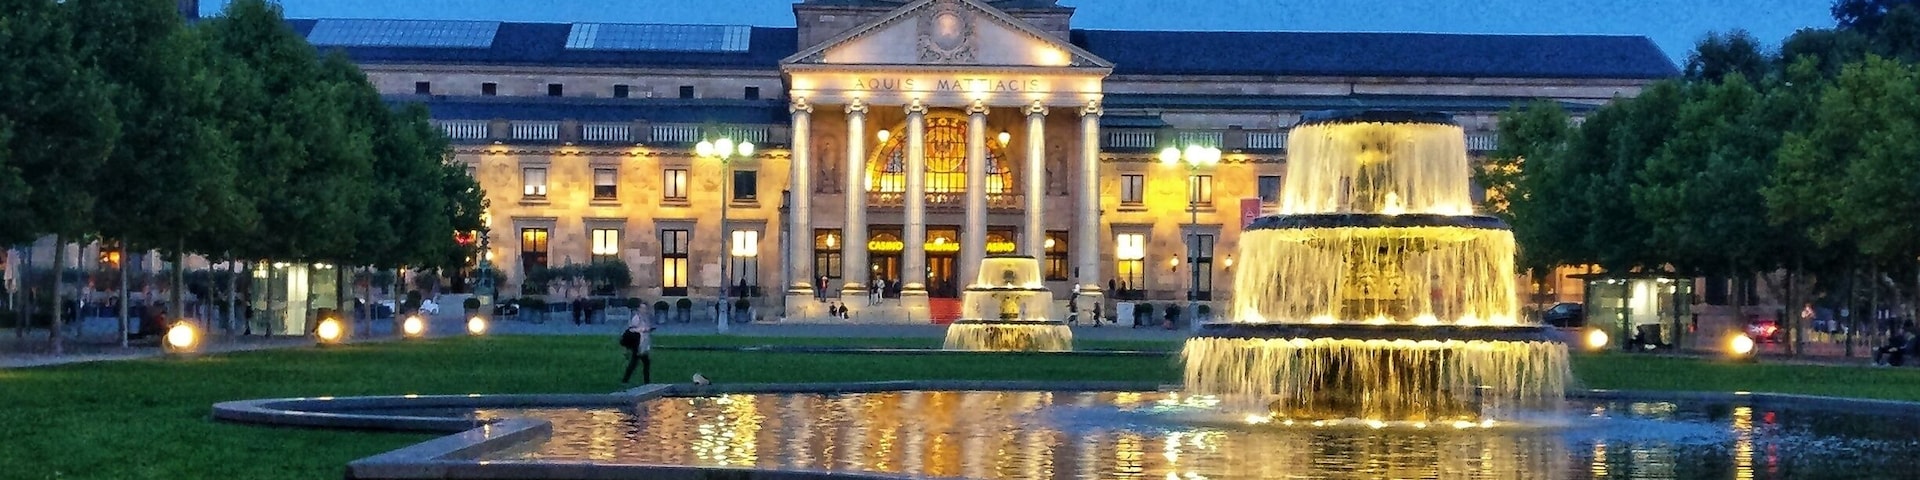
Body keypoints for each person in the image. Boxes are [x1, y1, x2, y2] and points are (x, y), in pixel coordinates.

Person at [620, 304, 656, 384]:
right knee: (636, 363)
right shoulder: (636, 318)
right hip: (638, 343)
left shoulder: (646, 318)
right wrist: (644, 329)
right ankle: (626, 380)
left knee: (643, 363)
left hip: (643, 343)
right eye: (642, 308)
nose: (644, 310)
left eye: (645, 308)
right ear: (639, 309)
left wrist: (648, 329)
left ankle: (645, 381)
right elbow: (632, 329)